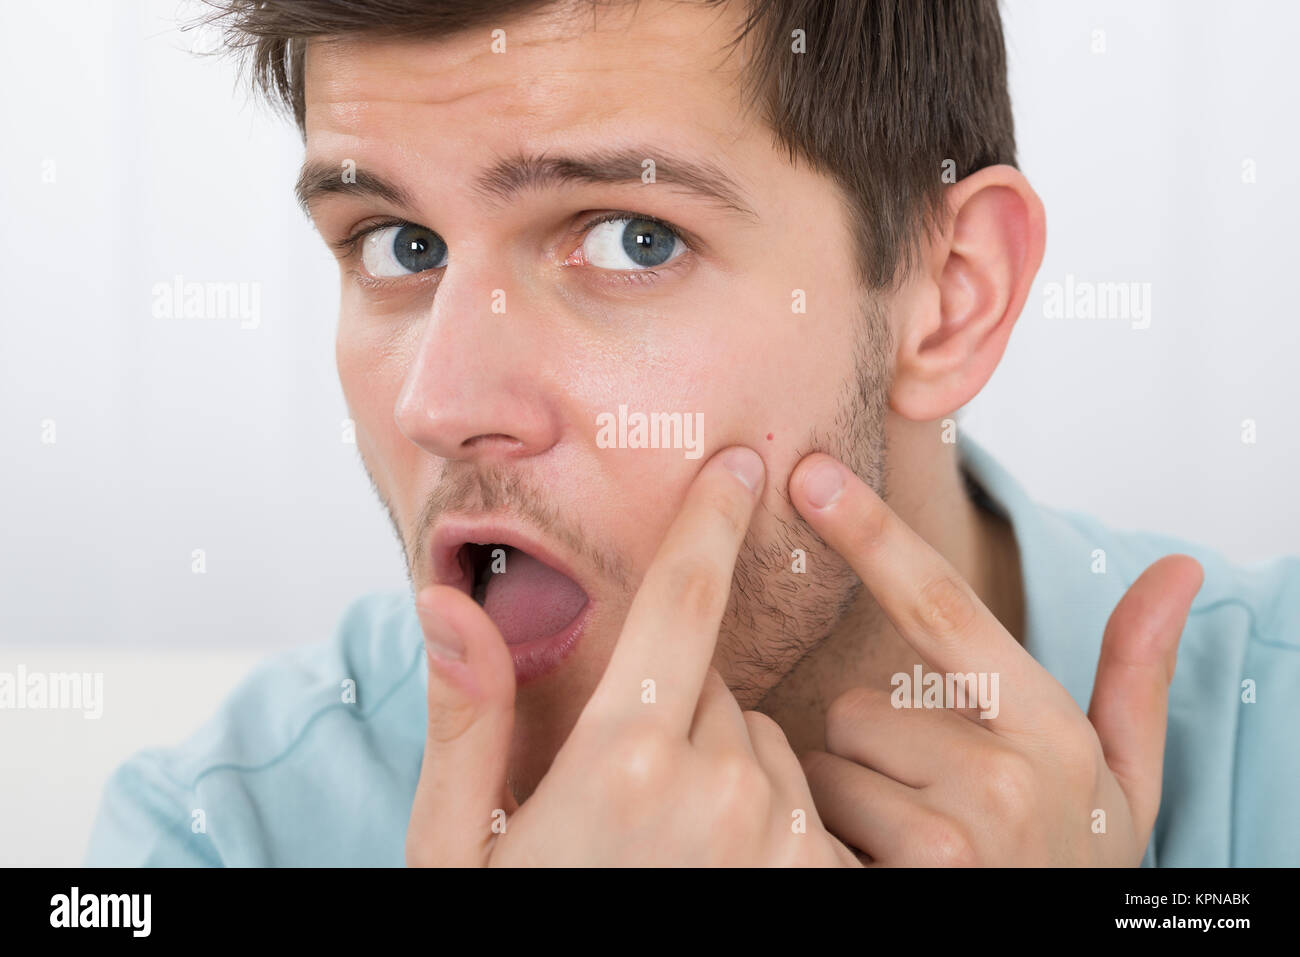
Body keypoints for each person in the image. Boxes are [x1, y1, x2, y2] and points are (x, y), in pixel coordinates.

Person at [86, 0, 1299, 866]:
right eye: (398, 245)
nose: (440, 405)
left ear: (948, 295)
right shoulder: (211, 835)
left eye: (630, 239)